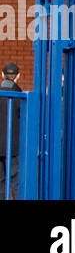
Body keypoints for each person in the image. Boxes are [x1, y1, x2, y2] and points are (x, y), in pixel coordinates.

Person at [0, 63, 21, 199]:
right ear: (18, 76)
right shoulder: (21, 96)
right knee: (16, 183)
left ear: (2, 75)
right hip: (14, 147)